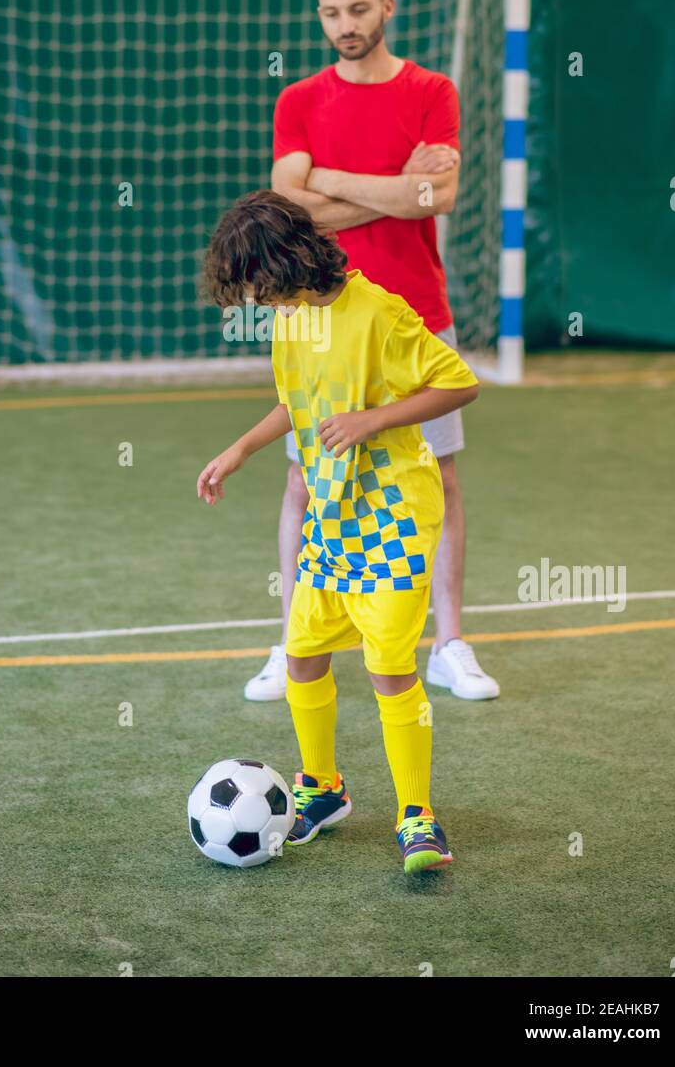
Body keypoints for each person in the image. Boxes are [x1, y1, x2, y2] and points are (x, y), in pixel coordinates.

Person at [197, 190, 480, 874]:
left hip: (394, 519)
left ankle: (419, 818)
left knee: (388, 668)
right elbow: (296, 404)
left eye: (254, 280)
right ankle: (321, 791)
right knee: (303, 654)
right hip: (332, 514)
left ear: (285, 260)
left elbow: (460, 383)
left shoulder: (380, 312)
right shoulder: (290, 320)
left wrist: (372, 420)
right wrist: (241, 449)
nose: (255, 297)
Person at [244, 0, 499, 703]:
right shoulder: (298, 100)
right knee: (301, 479)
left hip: (417, 315)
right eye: (331, 13)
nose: (344, 25)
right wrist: (400, 188)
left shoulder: (432, 90)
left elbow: (440, 199)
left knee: (441, 480)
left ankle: (448, 644)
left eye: (359, 9)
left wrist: (324, 179)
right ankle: (295, 635)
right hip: (320, 318)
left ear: (387, 8)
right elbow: (292, 208)